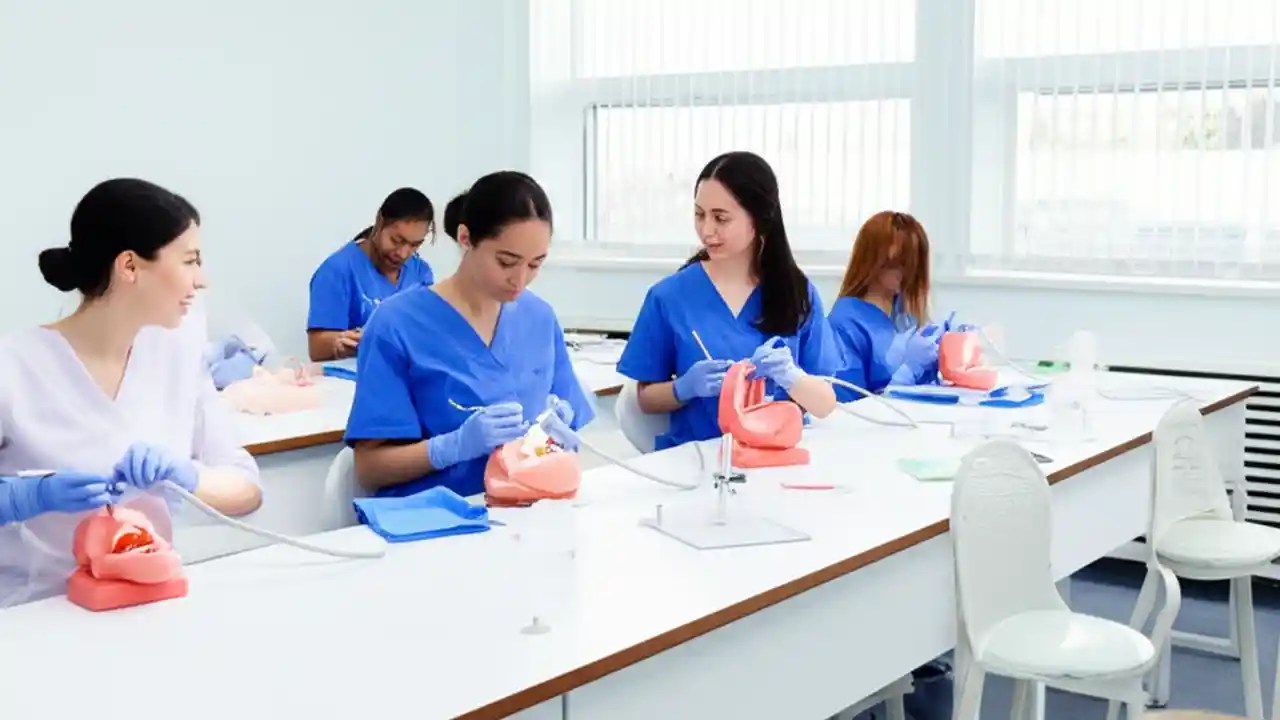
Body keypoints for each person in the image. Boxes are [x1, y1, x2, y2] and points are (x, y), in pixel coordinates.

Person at [0, 178, 262, 608]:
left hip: (149, 607)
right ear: (130, 266)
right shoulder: (13, 367)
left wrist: (187, 476)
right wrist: (27, 497)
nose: (202, 280)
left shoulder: (178, 352)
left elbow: (247, 492)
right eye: (190, 261)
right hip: (37, 614)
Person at [345, 171, 595, 498]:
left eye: (535, 265)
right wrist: (451, 448)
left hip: (528, 509)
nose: (519, 280)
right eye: (506, 262)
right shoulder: (396, 325)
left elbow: (566, 417)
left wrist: (555, 435)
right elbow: (369, 469)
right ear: (465, 238)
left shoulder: (539, 318)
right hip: (438, 519)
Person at [616, 151, 839, 450]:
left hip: (778, 461)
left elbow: (825, 404)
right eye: (699, 215)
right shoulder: (669, 297)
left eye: (721, 218)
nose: (707, 230)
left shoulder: (797, 295)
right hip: (698, 462)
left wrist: (792, 377)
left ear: (759, 219)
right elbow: (645, 399)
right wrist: (684, 388)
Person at [828, 210, 960, 400]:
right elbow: (848, 409)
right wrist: (906, 374)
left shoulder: (905, 315)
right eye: (899, 262)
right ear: (872, 260)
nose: (908, 272)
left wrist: (950, 349)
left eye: (914, 263)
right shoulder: (845, 326)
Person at [307, 187, 436, 361]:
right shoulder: (338, 270)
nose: (403, 253)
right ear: (379, 222)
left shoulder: (421, 273)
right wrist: (341, 342)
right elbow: (316, 348)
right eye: (397, 240)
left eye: (414, 245)